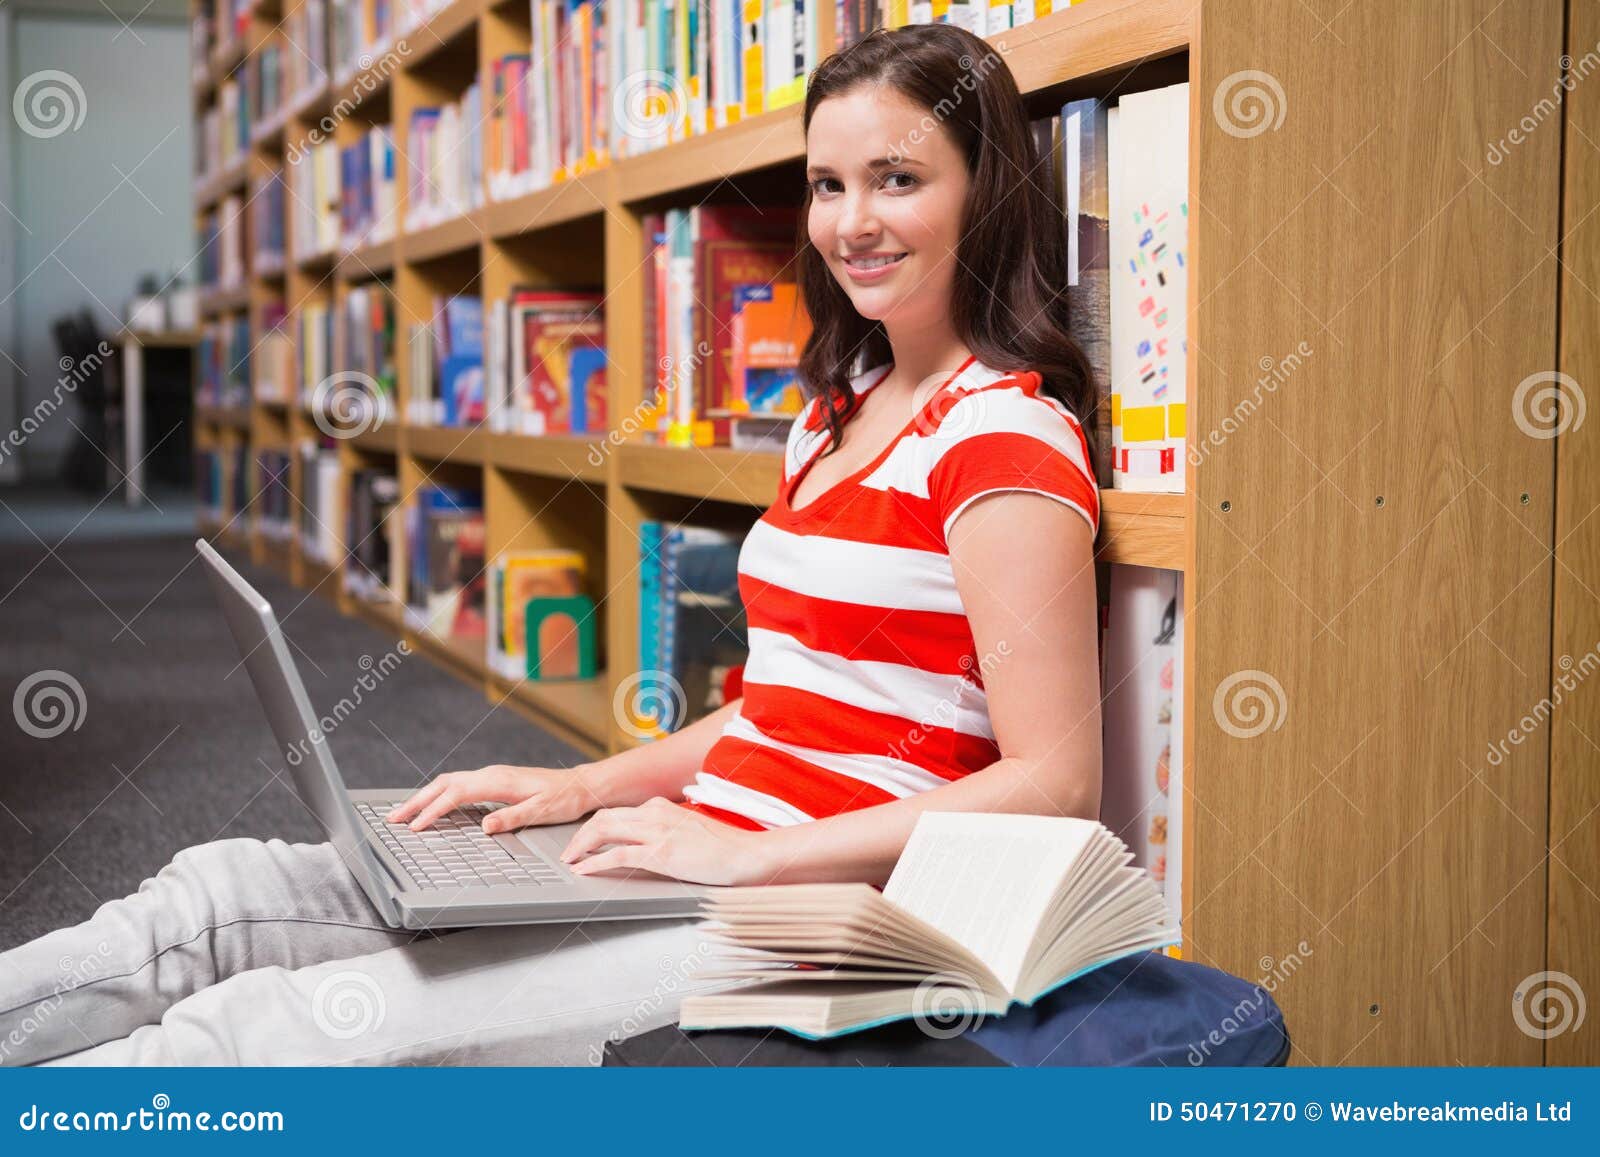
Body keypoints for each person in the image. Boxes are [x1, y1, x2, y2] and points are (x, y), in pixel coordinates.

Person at [0, 22, 1104, 1067]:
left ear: (986, 191)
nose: (851, 220)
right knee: (215, 895)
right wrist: (585, 783)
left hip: (826, 917)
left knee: (273, 1028)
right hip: (688, 845)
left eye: (897, 178)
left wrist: (753, 854)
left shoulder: (1002, 439)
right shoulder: (831, 412)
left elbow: (1055, 784)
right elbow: (782, 701)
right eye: (827, 183)